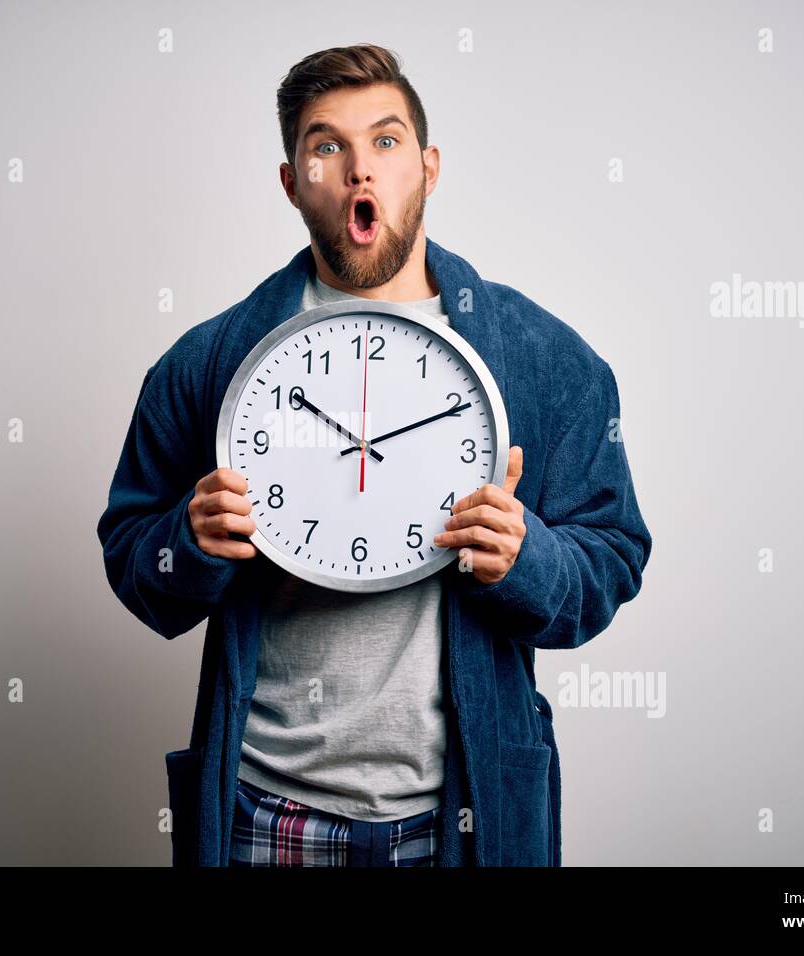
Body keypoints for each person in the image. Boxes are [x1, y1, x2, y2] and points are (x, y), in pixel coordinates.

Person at [97, 44, 652, 866]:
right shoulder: (208, 364)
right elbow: (136, 565)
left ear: (428, 168)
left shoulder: (544, 360)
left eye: (386, 143)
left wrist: (527, 557)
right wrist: (187, 538)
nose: (361, 171)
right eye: (327, 146)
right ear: (291, 181)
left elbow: (614, 558)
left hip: (464, 820)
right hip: (265, 810)